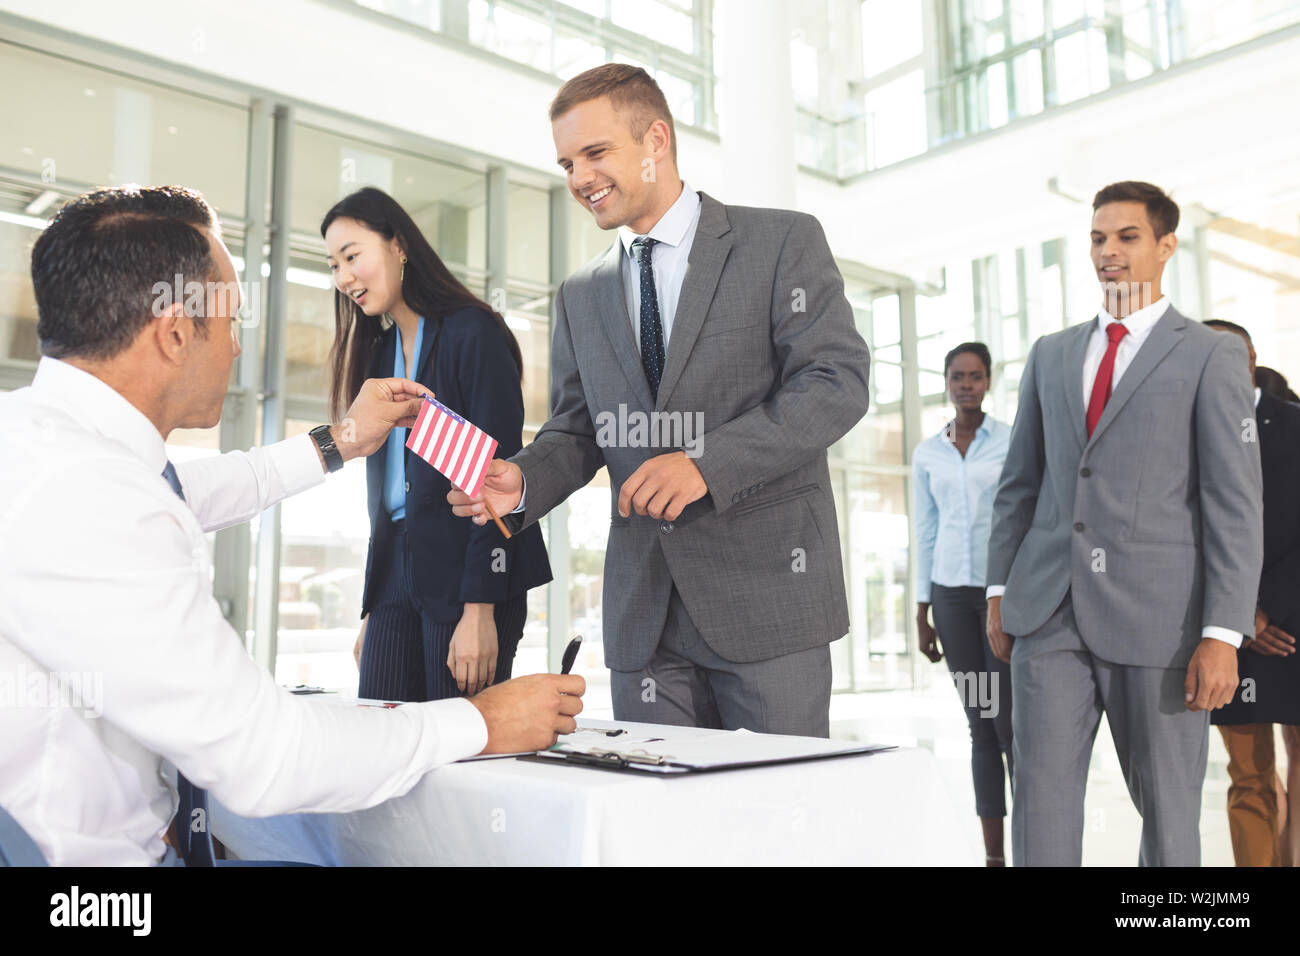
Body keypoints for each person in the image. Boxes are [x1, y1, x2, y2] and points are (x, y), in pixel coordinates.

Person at [0, 185, 584, 866]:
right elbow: (265, 754)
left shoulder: (45, 445)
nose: (240, 350)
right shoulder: (90, 494)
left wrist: (341, 441)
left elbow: (202, 489)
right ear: (175, 334)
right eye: (232, 322)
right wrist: (481, 722)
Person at [449, 64, 872, 737]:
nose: (579, 178)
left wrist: (706, 464)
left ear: (656, 141)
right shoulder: (580, 293)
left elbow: (835, 384)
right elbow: (579, 430)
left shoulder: (780, 243)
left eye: (595, 153)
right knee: (664, 829)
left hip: (768, 601)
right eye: (566, 163)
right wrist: (522, 481)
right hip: (646, 618)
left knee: (779, 829)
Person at [985, 180, 1262, 866]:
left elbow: (1234, 502)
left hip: (1161, 624)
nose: (1109, 251)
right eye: (1099, 238)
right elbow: (1020, 484)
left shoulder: (1208, 355)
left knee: (1170, 819)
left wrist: (1222, 633)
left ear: (1166, 247)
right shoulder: (1051, 353)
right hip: (1047, 611)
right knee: (1040, 811)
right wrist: (998, 590)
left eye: (1127, 237)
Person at [322, 187, 551, 702]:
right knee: (382, 744)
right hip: (396, 576)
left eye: (352, 256)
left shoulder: (473, 334)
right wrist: (374, 609)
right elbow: (384, 500)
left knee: (458, 755)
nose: (343, 278)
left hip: (464, 570)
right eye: (333, 265)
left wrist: (480, 610)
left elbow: (494, 477)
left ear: (399, 245)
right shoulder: (378, 354)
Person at [913, 342, 1013, 866]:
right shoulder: (927, 452)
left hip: (1003, 595)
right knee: (980, 721)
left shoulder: (1012, 442)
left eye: (975, 376)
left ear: (988, 382)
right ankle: (994, 856)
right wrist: (920, 610)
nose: (966, 384)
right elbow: (924, 531)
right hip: (950, 595)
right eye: (957, 376)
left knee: (1010, 723)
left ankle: (1038, 843)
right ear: (947, 382)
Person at [1205, 319, 1300, 867]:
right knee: (1248, 777)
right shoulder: (1186, 434)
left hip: (1292, 621)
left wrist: (1267, 611)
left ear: (1251, 359)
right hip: (1228, 630)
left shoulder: (1294, 426)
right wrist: (1244, 619)